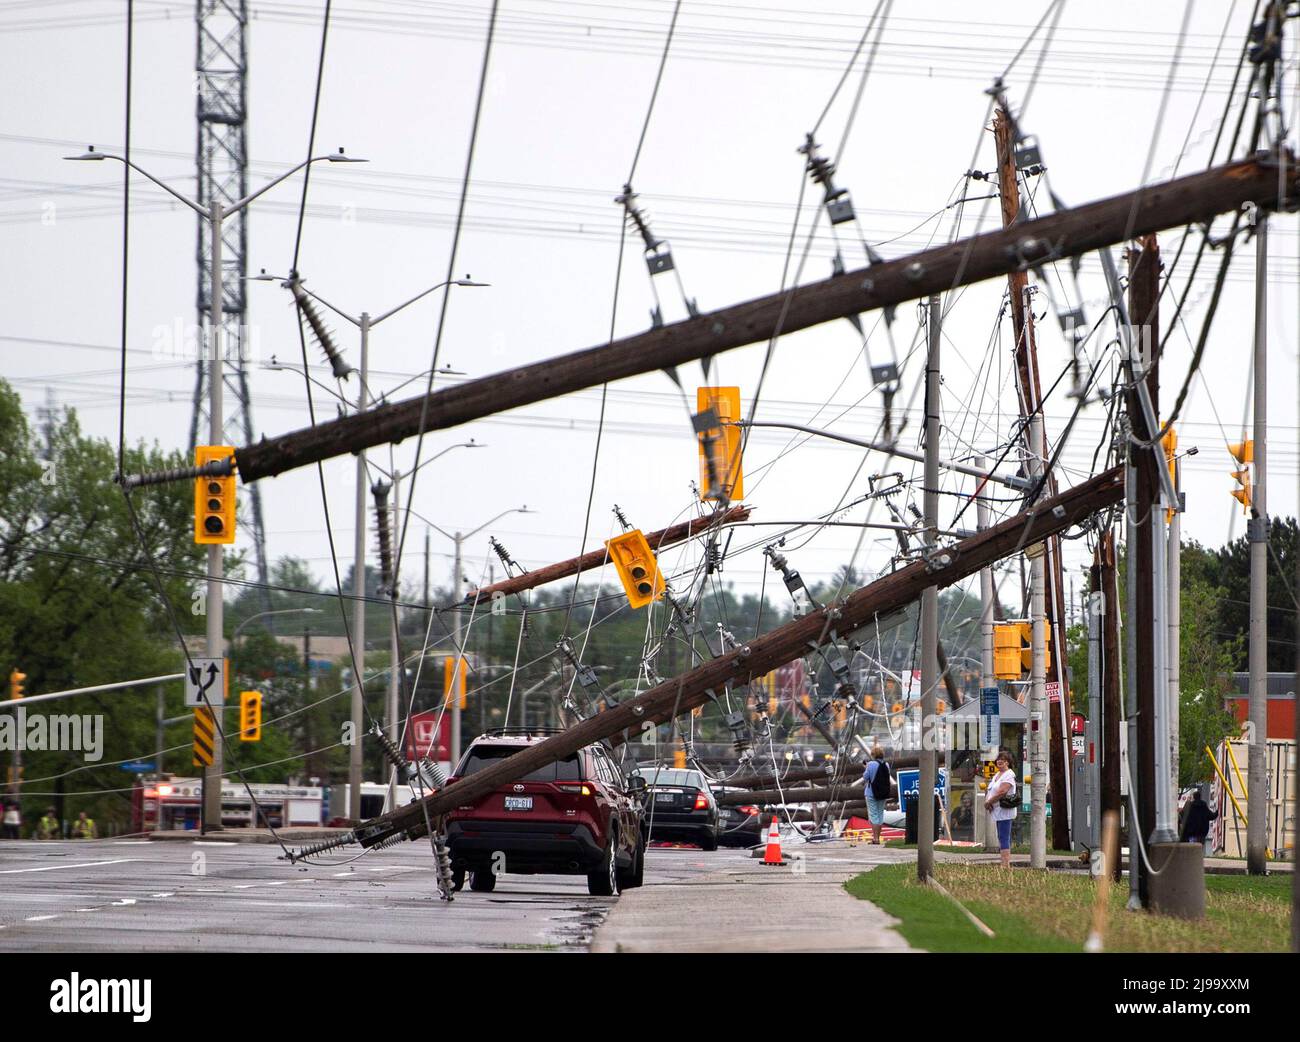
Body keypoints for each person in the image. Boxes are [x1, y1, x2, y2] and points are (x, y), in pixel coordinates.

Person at [984, 751, 1018, 868]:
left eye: (1003, 759)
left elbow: (1002, 791)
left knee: (1004, 836)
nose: (999, 761)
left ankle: (1005, 865)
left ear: (1008, 762)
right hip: (997, 809)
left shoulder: (1009, 774)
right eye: (998, 759)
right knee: (1001, 836)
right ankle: (1004, 863)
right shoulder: (997, 775)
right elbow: (992, 790)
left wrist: (989, 802)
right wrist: (988, 802)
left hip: (1005, 810)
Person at [863, 745, 892, 845]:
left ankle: (875, 839)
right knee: (880, 815)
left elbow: (866, 777)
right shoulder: (886, 764)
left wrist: (866, 768)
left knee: (874, 816)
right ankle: (878, 838)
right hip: (883, 792)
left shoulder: (871, 764)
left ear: (873, 755)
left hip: (871, 793)